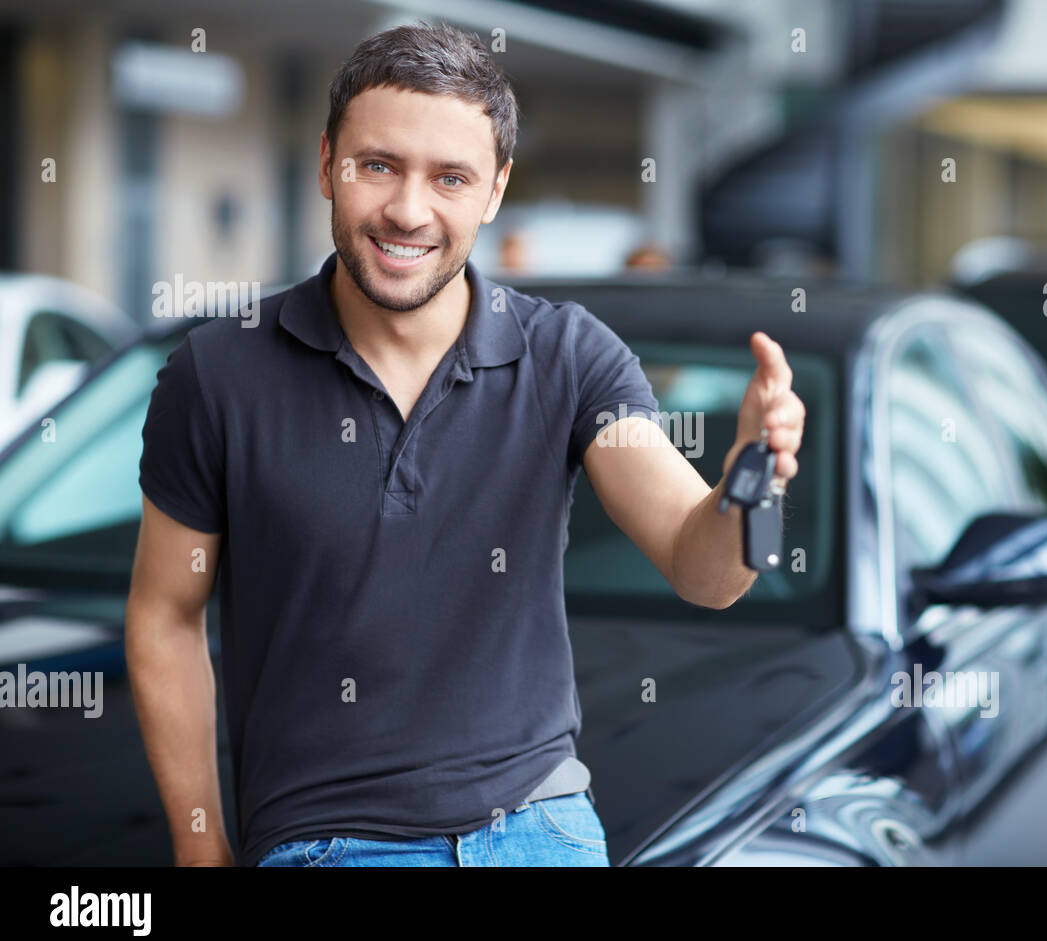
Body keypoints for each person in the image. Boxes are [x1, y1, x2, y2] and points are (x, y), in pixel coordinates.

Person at [124, 19, 805, 868]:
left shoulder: (569, 355)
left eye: (450, 178)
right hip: (332, 843)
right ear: (328, 162)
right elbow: (165, 614)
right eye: (378, 166)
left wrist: (751, 484)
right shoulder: (219, 371)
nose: (408, 211)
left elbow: (705, 573)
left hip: (543, 828)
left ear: (495, 191)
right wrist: (200, 845)